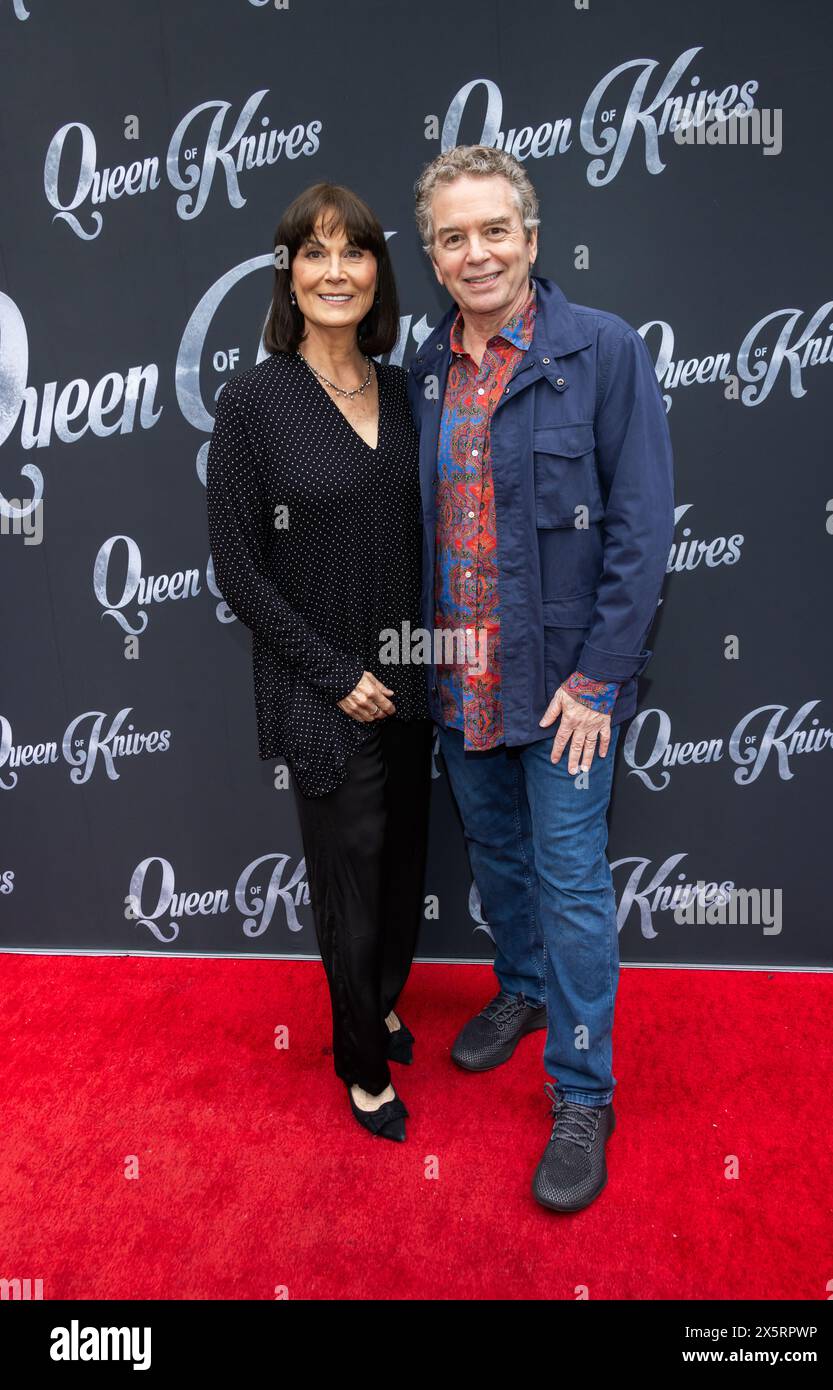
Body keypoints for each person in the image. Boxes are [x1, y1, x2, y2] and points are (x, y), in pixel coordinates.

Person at [407, 146, 674, 1209]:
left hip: (566, 691)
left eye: (493, 230)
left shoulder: (603, 351)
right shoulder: (424, 371)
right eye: (453, 236)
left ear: (531, 236)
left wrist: (599, 678)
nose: (476, 252)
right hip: (458, 676)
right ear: (433, 255)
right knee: (500, 857)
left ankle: (582, 1090)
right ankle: (519, 993)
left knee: (569, 883)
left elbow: (643, 530)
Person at [206, 182, 433, 1143]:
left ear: (377, 273)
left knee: (400, 867)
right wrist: (336, 672)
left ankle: (380, 1001)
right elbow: (237, 566)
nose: (334, 270)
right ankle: (360, 1067)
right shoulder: (254, 400)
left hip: (412, 677)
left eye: (354, 252)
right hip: (319, 688)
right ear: (288, 275)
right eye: (314, 252)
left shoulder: (406, 388)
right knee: (346, 881)